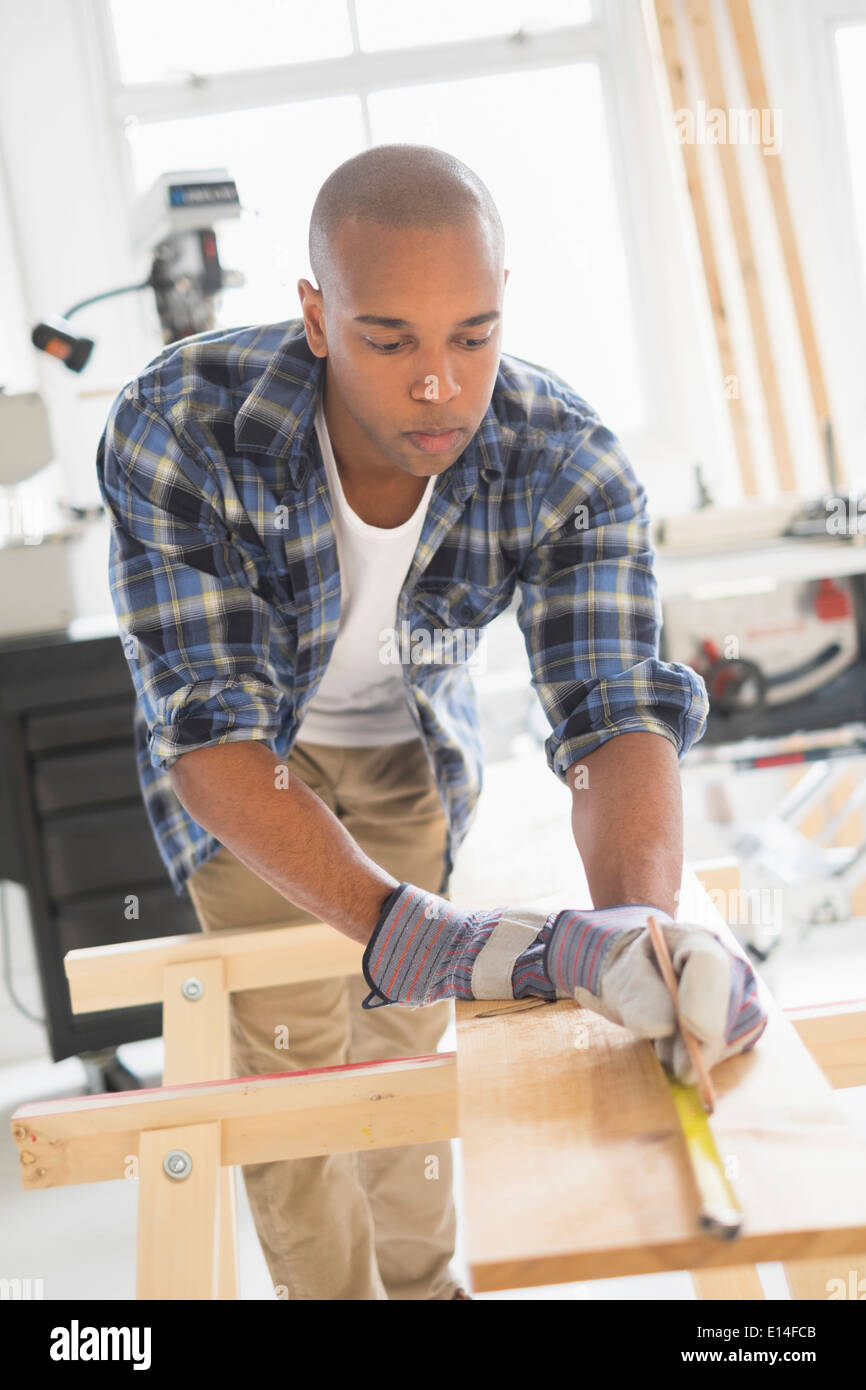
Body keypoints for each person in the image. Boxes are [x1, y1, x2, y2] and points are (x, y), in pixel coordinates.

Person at [96, 143, 766, 1301]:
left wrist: (643, 933)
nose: (437, 387)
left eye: (472, 335)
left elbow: (611, 708)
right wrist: (429, 935)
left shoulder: (563, 457)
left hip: (407, 750)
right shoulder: (179, 422)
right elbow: (212, 734)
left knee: (400, 1045)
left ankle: (424, 1291)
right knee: (298, 1062)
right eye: (389, 339)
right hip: (254, 764)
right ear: (315, 315)